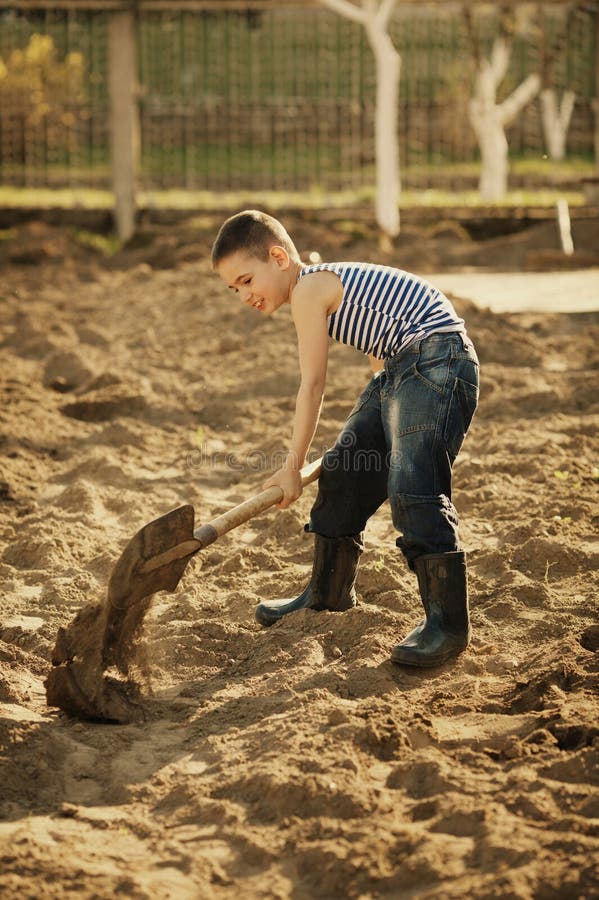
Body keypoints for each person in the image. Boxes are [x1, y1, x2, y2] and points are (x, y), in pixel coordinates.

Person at [211, 209, 479, 667]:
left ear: (278, 257)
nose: (243, 296)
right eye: (234, 289)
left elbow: (312, 383)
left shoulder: (309, 289)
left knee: (412, 486)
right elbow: (383, 335)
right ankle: (327, 592)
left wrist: (292, 464)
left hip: (438, 360)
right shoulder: (319, 285)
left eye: (246, 280)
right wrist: (377, 414)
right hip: (401, 366)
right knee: (343, 473)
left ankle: (447, 623)